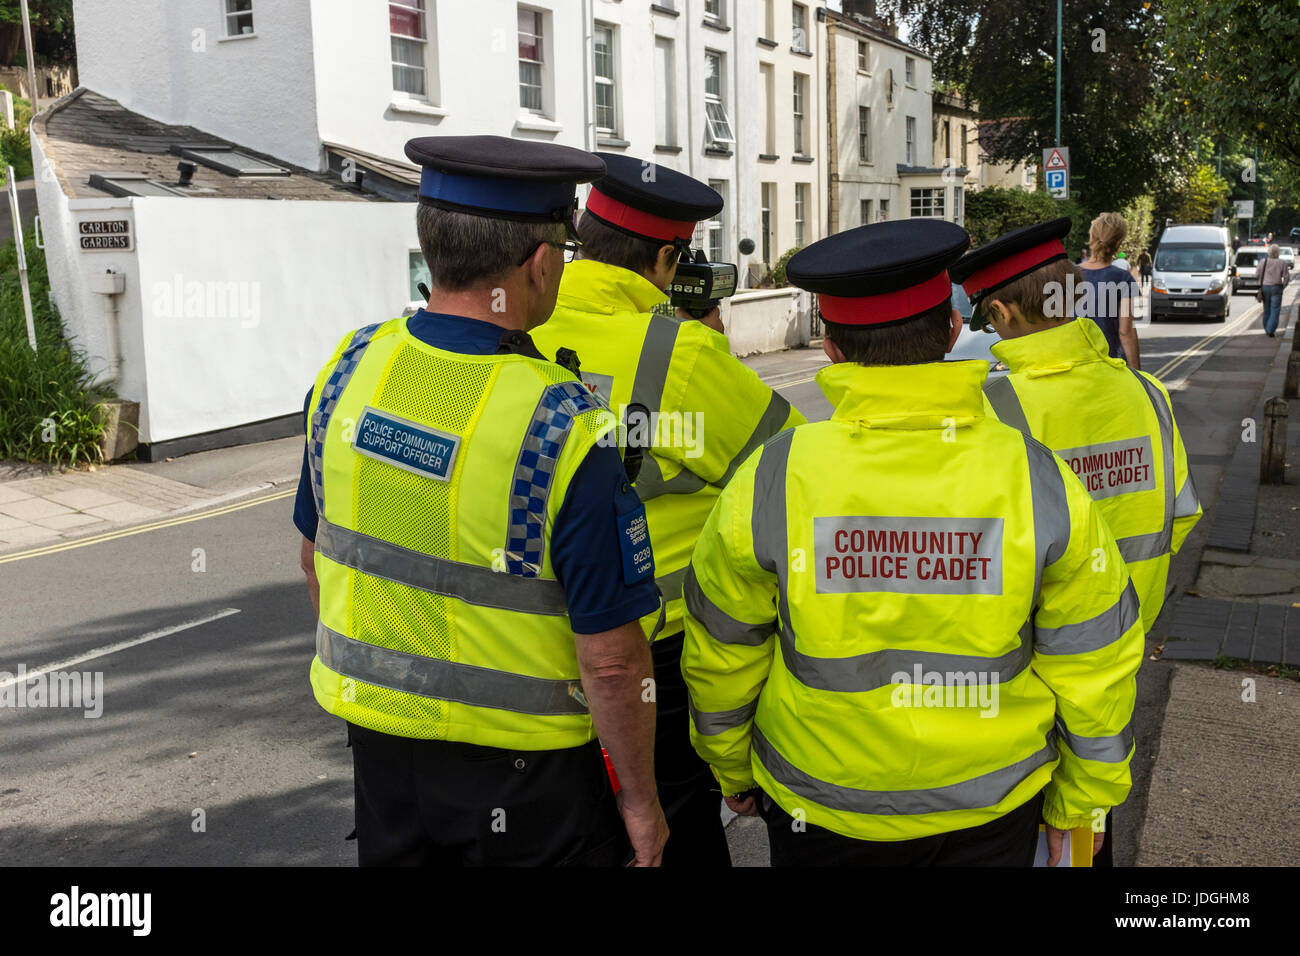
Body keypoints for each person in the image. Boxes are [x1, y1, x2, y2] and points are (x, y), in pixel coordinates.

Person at [681, 218, 1144, 867]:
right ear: (952, 330)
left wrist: (730, 769)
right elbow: (1095, 657)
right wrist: (1083, 801)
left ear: (831, 350)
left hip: (822, 808)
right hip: (992, 811)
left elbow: (721, 654)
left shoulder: (773, 477)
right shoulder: (1035, 475)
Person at [293, 135, 669, 867]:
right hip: (526, 793)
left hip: (382, 764)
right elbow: (615, 664)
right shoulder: (562, 425)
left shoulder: (349, 369)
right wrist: (641, 802)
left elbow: (316, 562)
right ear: (540, 262)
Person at [531, 153, 806, 866]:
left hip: (526, 641)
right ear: (666, 256)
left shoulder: (518, 316)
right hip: (654, 649)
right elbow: (793, 473)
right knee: (673, 826)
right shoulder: (680, 351)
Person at [951, 219, 1203, 867]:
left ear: (1002, 311)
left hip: (1021, 695)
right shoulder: (1147, 396)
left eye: (988, 316)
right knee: (1089, 836)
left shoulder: (988, 412)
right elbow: (1177, 519)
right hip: (1115, 673)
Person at [1078, 213, 1141, 369]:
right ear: (1118, 243)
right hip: (1108, 365)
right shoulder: (1122, 278)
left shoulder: (1067, 275)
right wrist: (1138, 376)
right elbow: (1126, 332)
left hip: (1072, 366)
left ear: (1091, 237)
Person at [1257, 243, 1291, 337]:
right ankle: (1270, 329)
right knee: (1275, 310)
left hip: (1265, 287)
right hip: (1277, 287)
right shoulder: (1282, 263)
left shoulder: (1263, 261)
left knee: (1266, 309)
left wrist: (1262, 282)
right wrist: (1283, 287)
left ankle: (1267, 328)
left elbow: (1257, 274)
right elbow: (1287, 277)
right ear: (1278, 253)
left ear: (1269, 252)